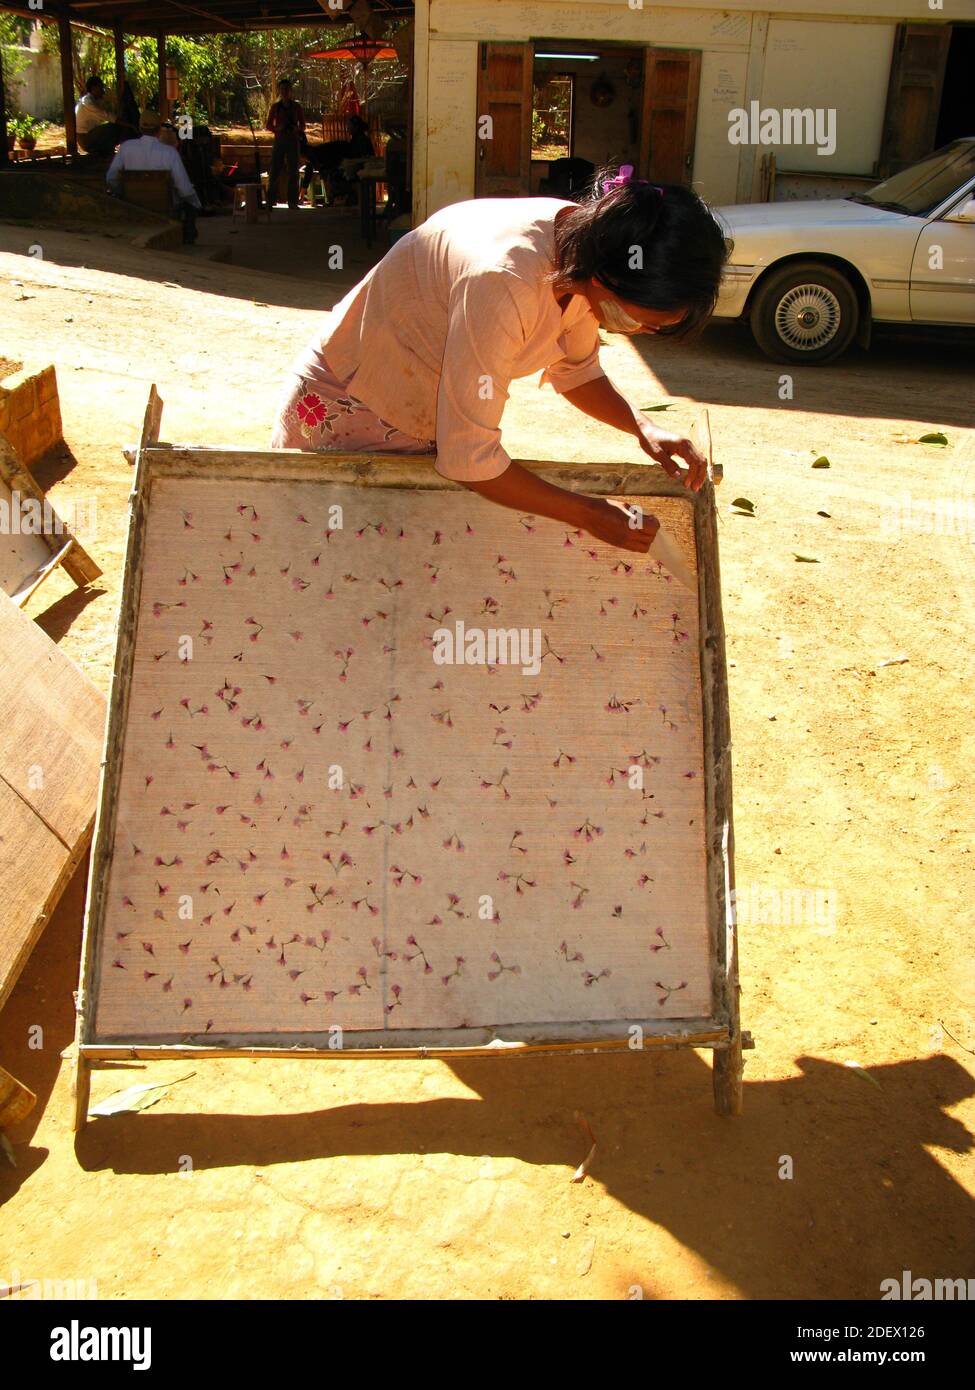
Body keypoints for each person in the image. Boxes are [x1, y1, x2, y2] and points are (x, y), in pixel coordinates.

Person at [271, 167, 728, 553]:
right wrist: (589, 513)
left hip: (416, 422)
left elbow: (576, 370)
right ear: (609, 285)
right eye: (647, 323)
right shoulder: (503, 281)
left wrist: (642, 428)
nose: (646, 332)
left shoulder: (588, 245)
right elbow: (470, 459)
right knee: (325, 569)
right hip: (345, 410)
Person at [106, 110, 202, 244]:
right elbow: (183, 187)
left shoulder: (126, 148)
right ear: (159, 130)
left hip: (132, 204)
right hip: (165, 205)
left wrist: (121, 194)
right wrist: (195, 202)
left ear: (140, 128)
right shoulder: (170, 152)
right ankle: (187, 239)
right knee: (190, 200)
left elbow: (111, 178)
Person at [299, 113, 373, 203]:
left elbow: (362, 157)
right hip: (349, 161)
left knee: (325, 156)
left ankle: (342, 194)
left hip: (356, 164)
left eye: (349, 125)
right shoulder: (356, 138)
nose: (347, 127)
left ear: (355, 127)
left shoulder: (361, 140)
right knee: (323, 154)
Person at [75, 75, 138, 157]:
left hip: (88, 136)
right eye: (101, 87)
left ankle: (106, 149)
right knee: (115, 127)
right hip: (85, 139)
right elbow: (109, 116)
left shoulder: (93, 100)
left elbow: (110, 113)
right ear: (94, 88)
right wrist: (131, 126)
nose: (103, 90)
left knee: (117, 126)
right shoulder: (88, 102)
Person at [266, 78, 305, 210]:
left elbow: (303, 125)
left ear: (290, 91)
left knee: (294, 171)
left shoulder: (296, 107)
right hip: (279, 140)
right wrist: (278, 128)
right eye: (282, 89)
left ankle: (292, 202)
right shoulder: (275, 107)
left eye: (287, 89)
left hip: (293, 141)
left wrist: (296, 129)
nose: (284, 92)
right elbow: (268, 125)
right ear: (280, 91)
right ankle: (270, 201)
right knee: (274, 170)